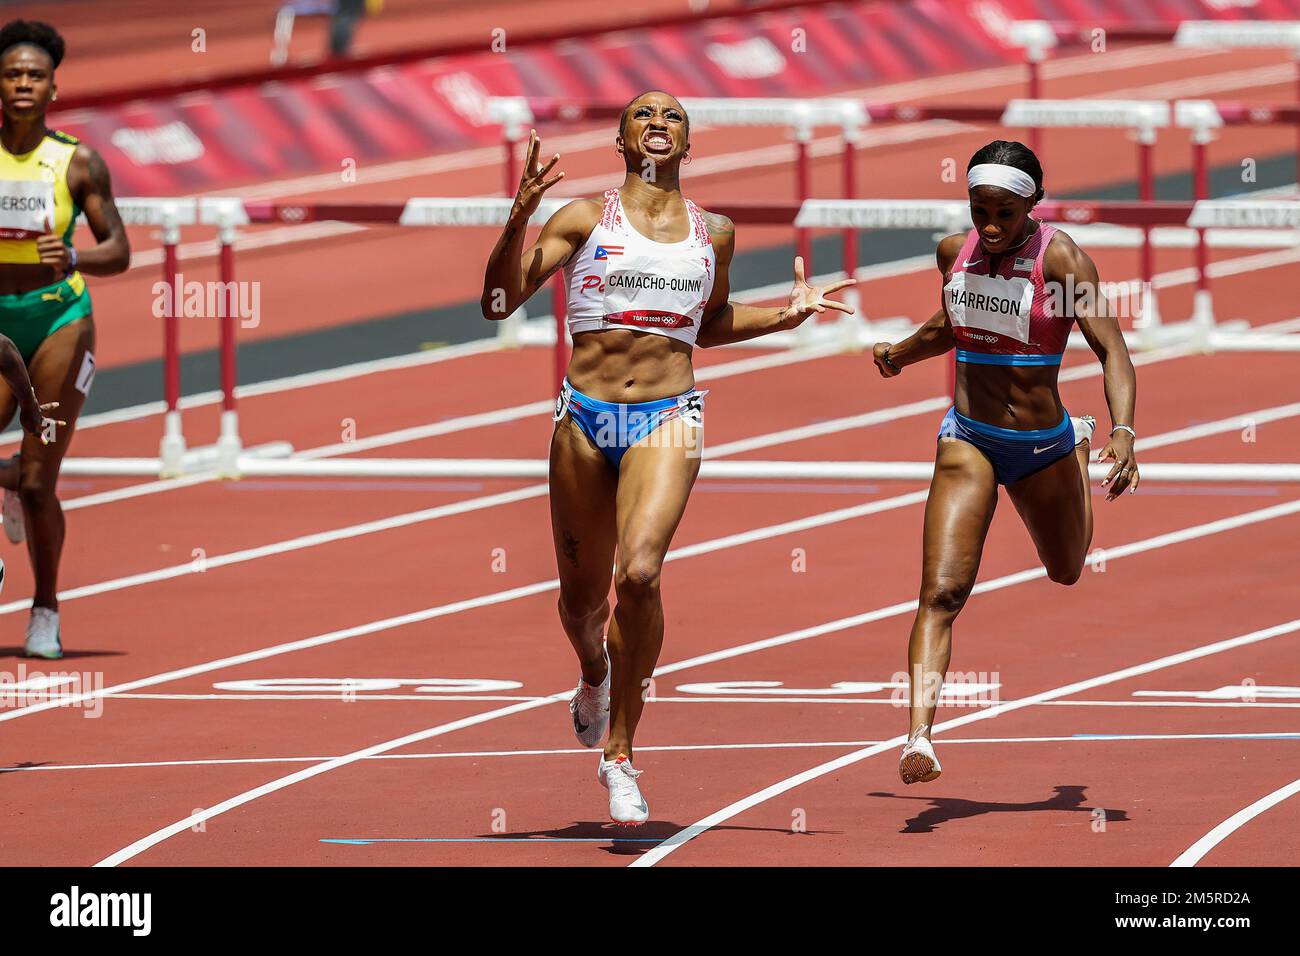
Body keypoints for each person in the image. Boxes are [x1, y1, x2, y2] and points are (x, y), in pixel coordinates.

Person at [481, 90, 855, 824]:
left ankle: (619, 754)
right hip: (584, 422)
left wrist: (791, 311)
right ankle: (594, 670)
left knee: (641, 573)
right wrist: (518, 214)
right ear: (620, 141)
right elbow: (497, 304)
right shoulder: (584, 219)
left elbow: (710, 326)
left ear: (689, 145)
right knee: (581, 601)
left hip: (668, 418)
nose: (659, 123)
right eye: (643, 116)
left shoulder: (713, 232)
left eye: (673, 117)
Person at [870, 140, 1139, 785]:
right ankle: (920, 738)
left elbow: (1114, 350)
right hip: (969, 437)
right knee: (940, 592)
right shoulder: (951, 253)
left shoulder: (1063, 259)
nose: (989, 226)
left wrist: (1124, 432)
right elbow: (952, 324)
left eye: (1004, 214)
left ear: (1031, 207)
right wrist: (901, 352)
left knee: (1067, 570)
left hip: (1042, 445)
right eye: (979, 210)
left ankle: (1078, 444)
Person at [0, 20, 130, 658]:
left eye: (35, 75)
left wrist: (74, 256)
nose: (23, 84)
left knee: (37, 483)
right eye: (12, 74)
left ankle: (44, 609)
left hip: (57, 323)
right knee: (19, 473)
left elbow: (120, 251)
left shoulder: (77, 162)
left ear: (54, 87)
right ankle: (13, 479)